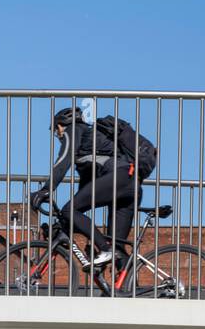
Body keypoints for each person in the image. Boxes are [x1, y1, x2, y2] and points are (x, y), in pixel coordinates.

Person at [29, 107, 155, 270]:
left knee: (70, 211)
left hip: (120, 176)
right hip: (131, 185)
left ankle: (105, 249)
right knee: (117, 248)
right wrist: (66, 225)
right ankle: (126, 292)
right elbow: (84, 196)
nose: (58, 136)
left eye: (56, 131)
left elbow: (64, 159)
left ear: (61, 125)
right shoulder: (90, 147)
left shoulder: (73, 130)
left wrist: (46, 189)